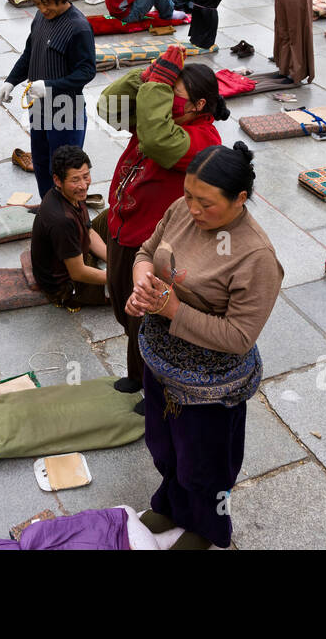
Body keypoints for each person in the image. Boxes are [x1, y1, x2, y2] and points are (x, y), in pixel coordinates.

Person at [128, 140, 283, 550]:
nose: (194, 210)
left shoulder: (256, 256)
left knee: (205, 464)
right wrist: (142, 281)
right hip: (162, 360)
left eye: (207, 203)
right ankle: (172, 504)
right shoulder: (182, 211)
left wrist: (172, 308)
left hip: (210, 383)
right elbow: (146, 251)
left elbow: (238, 337)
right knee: (163, 445)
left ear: (240, 199)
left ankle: (208, 529)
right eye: (189, 196)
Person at [97, 52, 226, 409]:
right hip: (125, 228)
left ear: (199, 104)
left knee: (150, 318)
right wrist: (149, 75)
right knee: (126, 309)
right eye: (166, 92)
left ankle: (159, 391)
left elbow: (154, 141)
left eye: (174, 93)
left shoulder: (203, 138)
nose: (166, 99)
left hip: (154, 246)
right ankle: (137, 374)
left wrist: (155, 86)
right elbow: (111, 108)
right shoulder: (162, 114)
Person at [0, 0, 96, 198]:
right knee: (42, 163)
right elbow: (30, 53)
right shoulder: (41, 18)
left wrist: (50, 86)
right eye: (37, 4)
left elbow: (86, 71)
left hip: (66, 109)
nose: (43, 9)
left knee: (64, 170)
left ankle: (69, 216)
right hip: (39, 107)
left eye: (47, 3)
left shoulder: (78, 27)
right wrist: (11, 81)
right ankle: (49, 208)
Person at [29, 146, 108, 309]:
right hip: (68, 285)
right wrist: (119, 277)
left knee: (112, 215)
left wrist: (112, 260)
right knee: (135, 293)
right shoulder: (62, 220)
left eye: (86, 176)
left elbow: (89, 231)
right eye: (75, 180)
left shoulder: (71, 194)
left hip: (76, 250)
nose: (83, 185)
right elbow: (78, 272)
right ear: (58, 180)